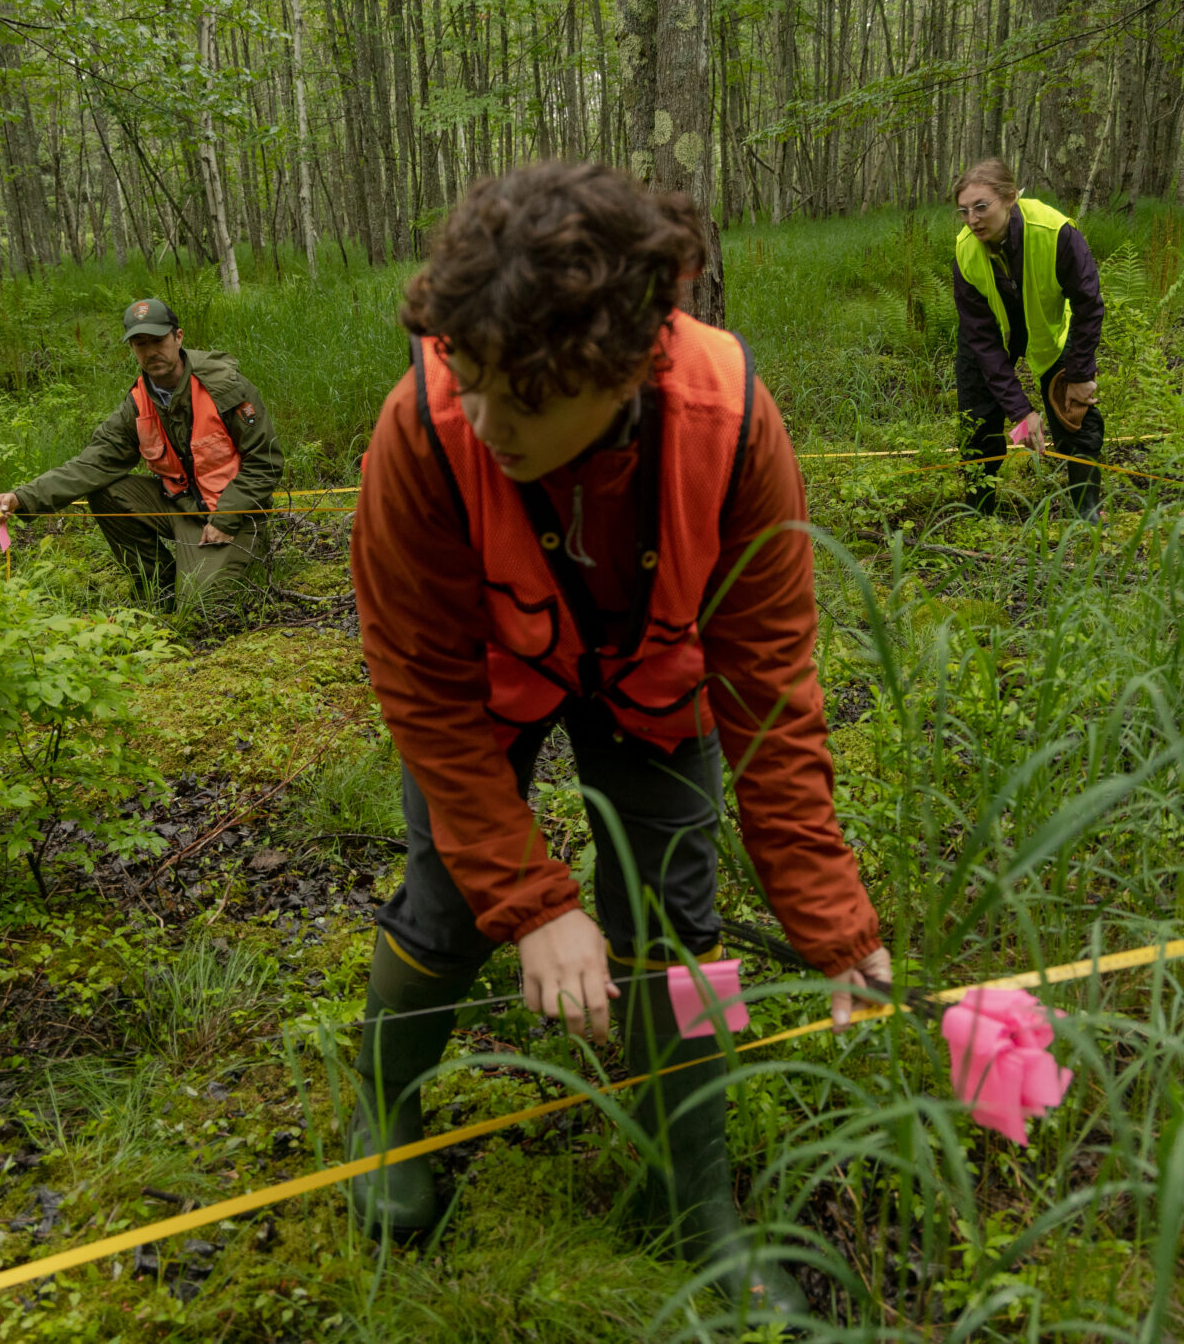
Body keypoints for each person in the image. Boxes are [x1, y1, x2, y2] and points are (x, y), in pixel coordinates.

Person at [348, 161, 891, 1321]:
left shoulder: (729, 420)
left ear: (623, 367)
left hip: (653, 684)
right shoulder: (423, 430)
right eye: (470, 383)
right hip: (488, 685)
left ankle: (694, 1200)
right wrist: (536, 902)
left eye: (524, 403)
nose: (488, 425)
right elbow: (424, 694)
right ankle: (384, 1116)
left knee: (674, 920)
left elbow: (768, 685)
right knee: (450, 894)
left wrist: (829, 917)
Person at [0, 299, 284, 607]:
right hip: (180, 506)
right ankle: (161, 585)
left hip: (232, 513)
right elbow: (92, 463)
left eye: (158, 340)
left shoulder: (224, 387)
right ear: (132, 349)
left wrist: (227, 517)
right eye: (141, 344)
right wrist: (21, 498)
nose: (151, 351)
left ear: (178, 337)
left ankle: (215, 570)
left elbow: (266, 463)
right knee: (105, 491)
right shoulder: (138, 401)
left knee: (204, 612)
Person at [951, 159, 1107, 521]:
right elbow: (983, 341)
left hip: (1050, 332)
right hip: (993, 337)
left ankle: (1087, 511)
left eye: (981, 207)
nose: (972, 219)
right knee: (976, 420)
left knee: (1075, 415)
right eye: (963, 210)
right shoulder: (965, 251)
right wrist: (1021, 412)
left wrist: (1082, 373)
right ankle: (978, 512)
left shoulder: (1055, 231)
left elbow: (1089, 304)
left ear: (1009, 198)